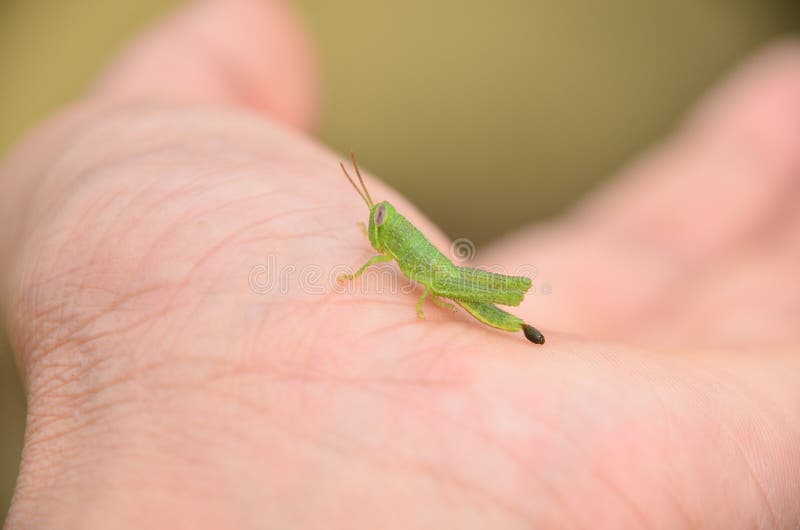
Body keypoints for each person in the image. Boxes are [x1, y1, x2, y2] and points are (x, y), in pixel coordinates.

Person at [1, 0, 798, 527]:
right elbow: (382, 261)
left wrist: (424, 297)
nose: (373, 224)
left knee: (450, 282)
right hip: (446, 290)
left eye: (376, 217)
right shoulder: (379, 240)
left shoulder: (398, 251)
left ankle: (515, 322)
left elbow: (419, 275)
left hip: (462, 288)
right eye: (375, 219)